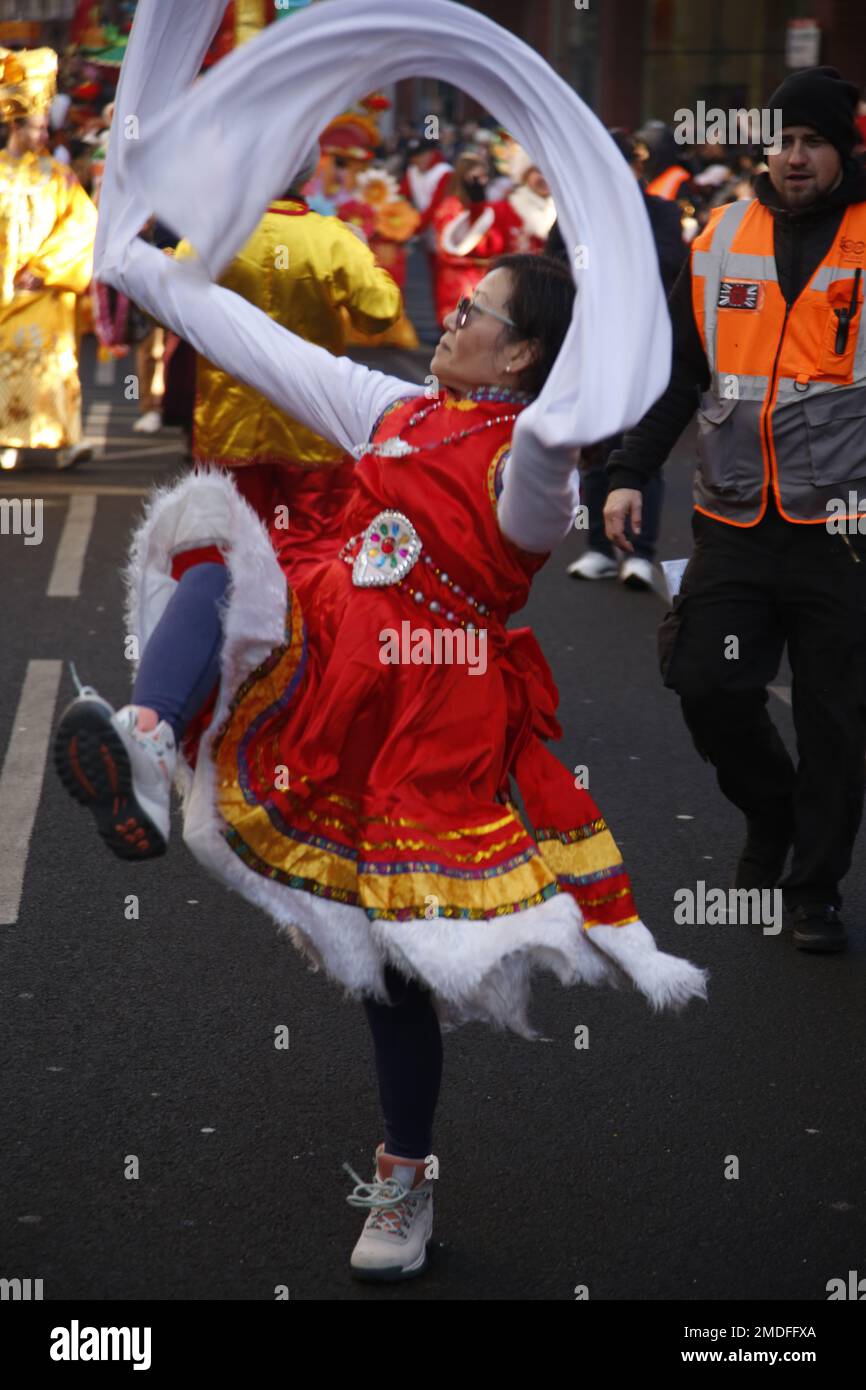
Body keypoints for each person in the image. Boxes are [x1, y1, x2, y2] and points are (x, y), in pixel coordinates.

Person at [54, 247, 706, 1280]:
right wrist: (133, 250)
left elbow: (544, 452)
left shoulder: (527, 467)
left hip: (426, 723)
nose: (448, 320)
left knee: (388, 965)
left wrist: (573, 386)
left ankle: (405, 1176)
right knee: (220, 553)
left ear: (524, 352)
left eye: (477, 312)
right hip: (324, 661)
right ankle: (143, 739)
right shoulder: (395, 410)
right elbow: (255, 345)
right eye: (456, 304)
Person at [604, 66, 866, 953]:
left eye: (814, 142)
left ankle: (815, 888)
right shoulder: (719, 235)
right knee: (708, 681)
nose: (795, 158)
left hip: (844, 531)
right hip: (735, 516)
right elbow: (684, 370)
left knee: (837, 714)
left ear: (843, 149)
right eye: (784, 140)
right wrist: (630, 469)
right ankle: (773, 809)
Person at [178, 149, 402, 579]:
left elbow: (161, 301)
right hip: (312, 422)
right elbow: (381, 311)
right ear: (308, 175)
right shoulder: (331, 238)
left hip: (229, 424)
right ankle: (302, 636)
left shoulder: (214, 234)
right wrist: (362, 252)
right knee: (312, 544)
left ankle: (235, 638)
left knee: (229, 544)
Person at [565, 130, 686, 589]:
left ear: (636, 169)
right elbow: (556, 266)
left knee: (642, 451)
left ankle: (639, 553)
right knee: (595, 450)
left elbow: (671, 264)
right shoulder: (578, 214)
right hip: (592, 347)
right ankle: (598, 547)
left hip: (646, 349)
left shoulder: (660, 211)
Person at [0, 47, 97, 472]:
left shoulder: (59, 177)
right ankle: (9, 438)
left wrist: (44, 269)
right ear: (14, 126)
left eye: (44, 128)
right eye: (35, 129)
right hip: (5, 292)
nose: (42, 137)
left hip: (47, 290)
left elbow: (82, 225)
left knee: (57, 366)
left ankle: (66, 440)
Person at [430, 150, 512, 329]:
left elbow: (495, 240)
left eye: (484, 175)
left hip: (481, 271)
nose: (482, 180)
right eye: (477, 175)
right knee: (458, 320)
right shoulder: (451, 206)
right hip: (458, 273)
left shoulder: (487, 206)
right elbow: (447, 244)